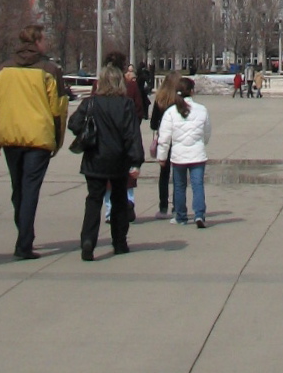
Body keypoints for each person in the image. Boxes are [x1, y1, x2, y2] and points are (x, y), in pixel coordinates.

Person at [0, 24, 69, 258]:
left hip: (11, 137)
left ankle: (24, 233)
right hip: (38, 139)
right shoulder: (49, 70)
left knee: (18, 189)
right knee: (30, 189)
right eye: (45, 39)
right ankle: (24, 242)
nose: (47, 43)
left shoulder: (4, 69)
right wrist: (57, 139)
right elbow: (58, 109)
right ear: (37, 42)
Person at [70, 63, 144, 259]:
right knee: (119, 200)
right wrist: (136, 161)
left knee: (94, 200)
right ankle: (119, 242)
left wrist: (88, 128)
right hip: (118, 160)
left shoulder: (91, 103)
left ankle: (88, 240)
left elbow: (74, 123)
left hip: (94, 159)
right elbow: (132, 135)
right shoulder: (126, 105)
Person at [157, 76, 211, 228]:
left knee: (179, 186)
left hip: (178, 155)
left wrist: (162, 156)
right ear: (192, 92)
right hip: (197, 154)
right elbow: (207, 132)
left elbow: (164, 137)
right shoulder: (201, 110)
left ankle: (181, 216)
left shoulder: (171, 112)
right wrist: (202, 143)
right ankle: (199, 214)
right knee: (197, 185)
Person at [150, 70, 182, 219]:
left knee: (164, 174)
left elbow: (152, 123)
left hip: (164, 139)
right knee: (178, 175)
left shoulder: (160, 99)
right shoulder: (179, 100)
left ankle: (163, 207)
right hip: (177, 139)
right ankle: (177, 206)